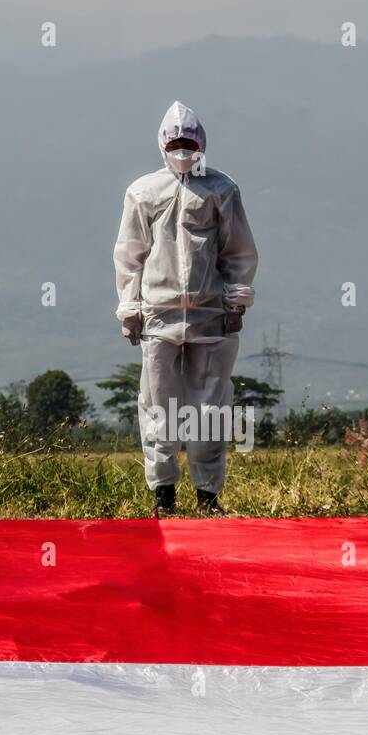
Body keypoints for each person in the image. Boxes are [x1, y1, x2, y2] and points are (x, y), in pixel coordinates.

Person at [113, 101, 259, 515]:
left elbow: (238, 250)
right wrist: (129, 307)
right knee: (158, 406)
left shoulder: (221, 189)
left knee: (210, 405)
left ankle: (208, 496)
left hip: (211, 315)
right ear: (162, 144)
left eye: (188, 143)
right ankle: (163, 497)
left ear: (202, 145)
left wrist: (237, 299)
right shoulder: (143, 192)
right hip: (158, 313)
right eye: (175, 142)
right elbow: (130, 254)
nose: (182, 150)